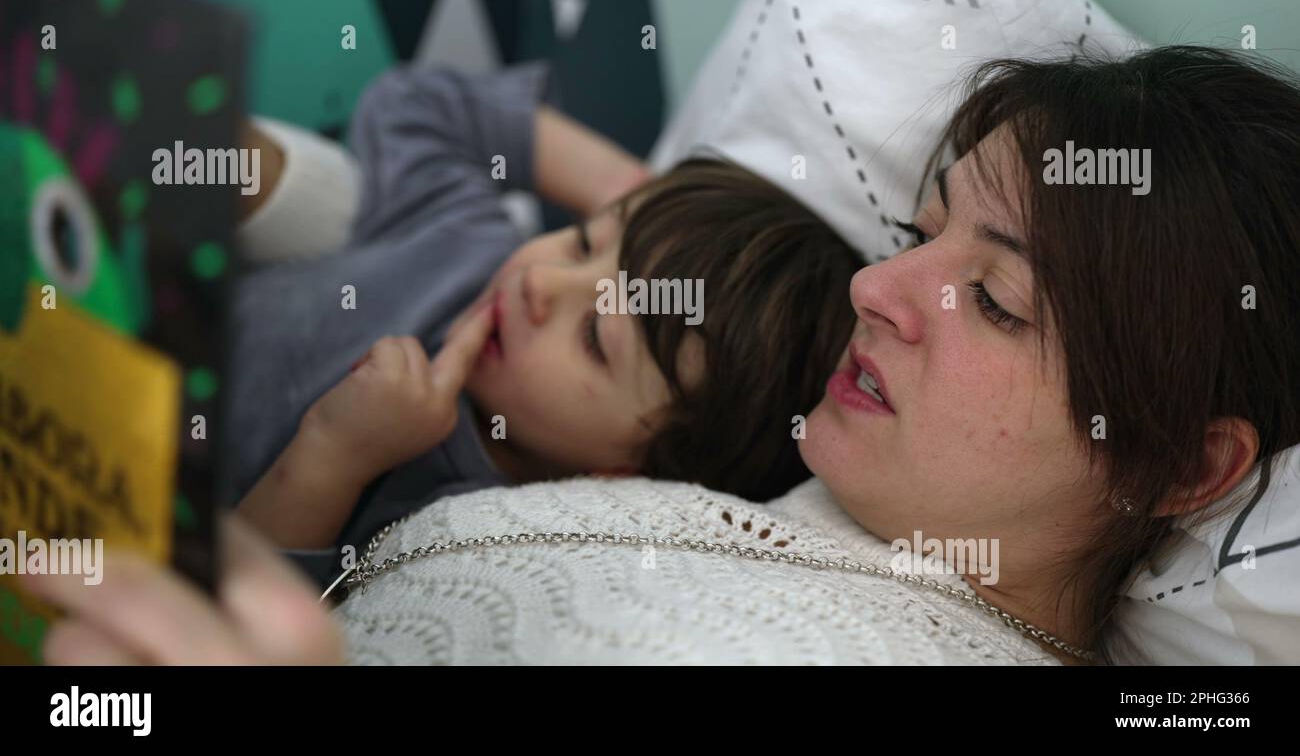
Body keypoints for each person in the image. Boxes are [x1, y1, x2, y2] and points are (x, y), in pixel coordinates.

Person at [31, 46, 1300, 665]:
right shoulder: (771, 483)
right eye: (915, 235)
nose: (873, 289)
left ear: (1174, 465)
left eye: (1002, 301)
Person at [223, 64, 861, 587]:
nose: (540, 282)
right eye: (584, 242)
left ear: (629, 476)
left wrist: (333, 456)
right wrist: (621, 183)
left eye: (593, 338)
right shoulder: (467, 244)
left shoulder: (455, 526)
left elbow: (244, 615)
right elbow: (415, 105)